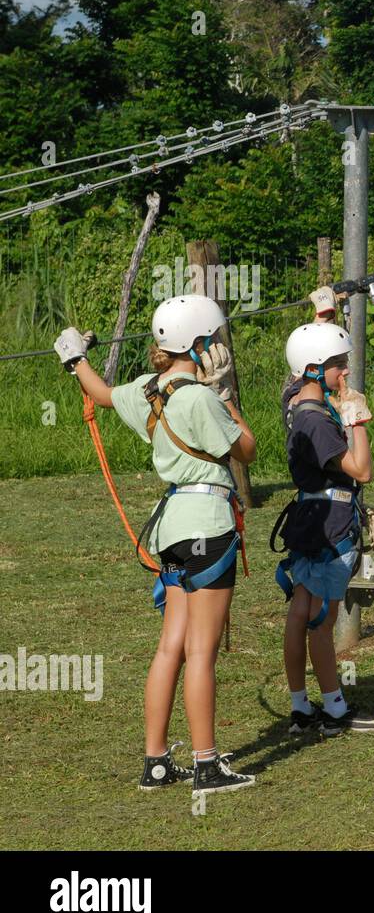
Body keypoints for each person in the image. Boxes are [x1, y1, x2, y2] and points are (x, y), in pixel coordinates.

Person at [54, 295, 258, 793]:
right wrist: (225, 391)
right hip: (207, 523)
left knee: (172, 646)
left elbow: (101, 394)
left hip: (170, 529)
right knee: (202, 651)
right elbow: (247, 450)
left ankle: (157, 761)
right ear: (202, 343)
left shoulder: (150, 389)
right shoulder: (201, 398)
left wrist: (75, 358)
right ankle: (207, 765)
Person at [276, 323, 374, 736]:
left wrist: (323, 317)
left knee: (300, 614)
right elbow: (362, 470)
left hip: (307, 521)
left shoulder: (295, 404)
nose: (346, 373)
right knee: (321, 621)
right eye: (339, 365)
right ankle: (335, 709)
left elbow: (297, 371)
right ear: (312, 369)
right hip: (331, 523)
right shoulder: (320, 422)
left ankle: (299, 706)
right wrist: (355, 418)